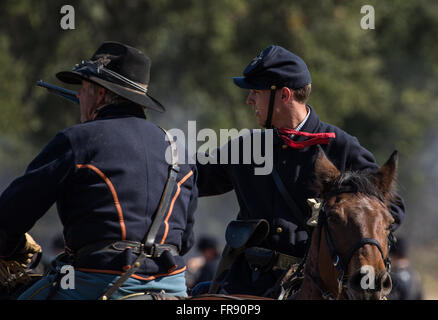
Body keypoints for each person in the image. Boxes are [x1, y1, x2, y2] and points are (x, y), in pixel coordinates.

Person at [196, 45, 406, 297]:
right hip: (244, 284)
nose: (249, 100)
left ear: (284, 95)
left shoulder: (340, 146)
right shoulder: (246, 146)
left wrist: (338, 222)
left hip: (314, 286)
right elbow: (193, 179)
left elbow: (389, 210)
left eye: (256, 92)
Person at [0, 42, 198, 300]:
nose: (79, 97)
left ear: (101, 95)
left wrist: (13, 249)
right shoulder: (178, 148)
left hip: (96, 285)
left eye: (83, 88)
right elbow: (185, 241)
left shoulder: (78, 139)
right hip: (172, 290)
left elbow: (9, 216)